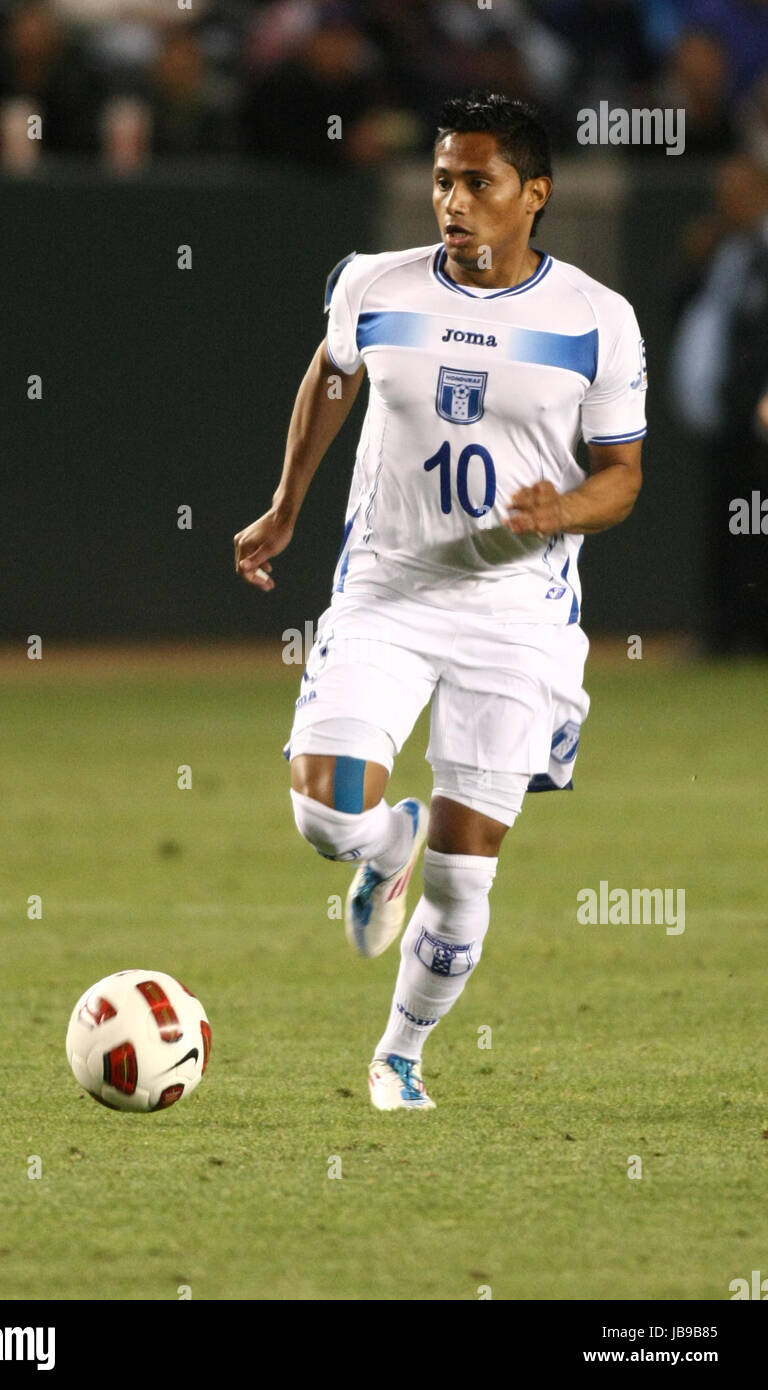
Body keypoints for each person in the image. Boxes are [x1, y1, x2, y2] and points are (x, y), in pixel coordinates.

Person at [234, 91, 646, 1110]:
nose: (453, 201)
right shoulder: (375, 285)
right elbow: (334, 375)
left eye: (478, 182)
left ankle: (399, 1054)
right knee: (324, 809)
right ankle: (383, 845)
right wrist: (286, 504)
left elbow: (625, 474)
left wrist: (564, 511)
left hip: (514, 610)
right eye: (442, 179)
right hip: (388, 588)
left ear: (533, 195)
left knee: (466, 877)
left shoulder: (597, 319)